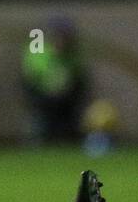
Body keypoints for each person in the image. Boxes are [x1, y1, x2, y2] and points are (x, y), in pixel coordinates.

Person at [22, 15, 91, 144]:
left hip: (66, 102)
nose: (62, 40)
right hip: (43, 100)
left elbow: (78, 80)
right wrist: (47, 94)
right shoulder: (38, 52)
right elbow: (30, 79)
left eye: (65, 36)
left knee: (69, 131)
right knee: (40, 126)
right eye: (59, 36)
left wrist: (66, 93)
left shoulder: (73, 56)